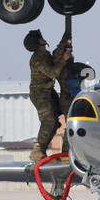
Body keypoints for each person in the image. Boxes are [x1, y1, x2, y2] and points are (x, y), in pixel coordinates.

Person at [26, 29, 71, 160]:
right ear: (37, 42)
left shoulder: (43, 54)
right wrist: (64, 59)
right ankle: (38, 150)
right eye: (40, 37)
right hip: (40, 94)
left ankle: (44, 150)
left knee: (55, 122)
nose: (43, 38)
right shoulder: (37, 58)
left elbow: (54, 58)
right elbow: (53, 73)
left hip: (48, 92)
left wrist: (64, 41)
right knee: (49, 121)